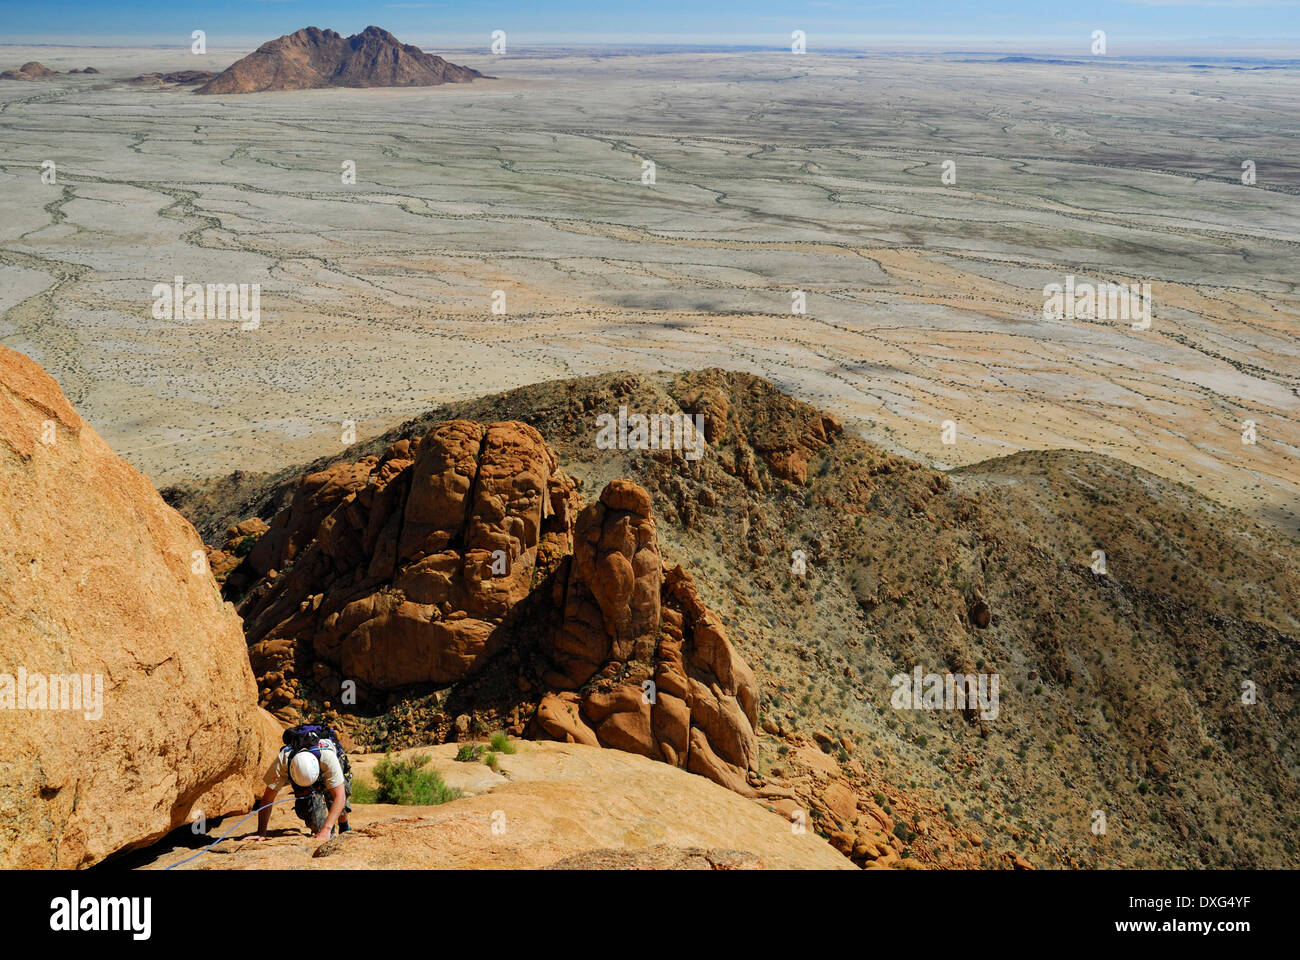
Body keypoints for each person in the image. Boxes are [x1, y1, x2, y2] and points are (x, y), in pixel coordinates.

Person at [253, 724, 352, 840]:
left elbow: (339, 797)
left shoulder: (328, 757)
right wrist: (261, 832)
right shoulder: (284, 760)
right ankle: (324, 832)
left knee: (335, 800)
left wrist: (327, 829)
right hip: (302, 772)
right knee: (311, 816)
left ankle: (343, 826)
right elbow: (268, 799)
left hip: (329, 761)